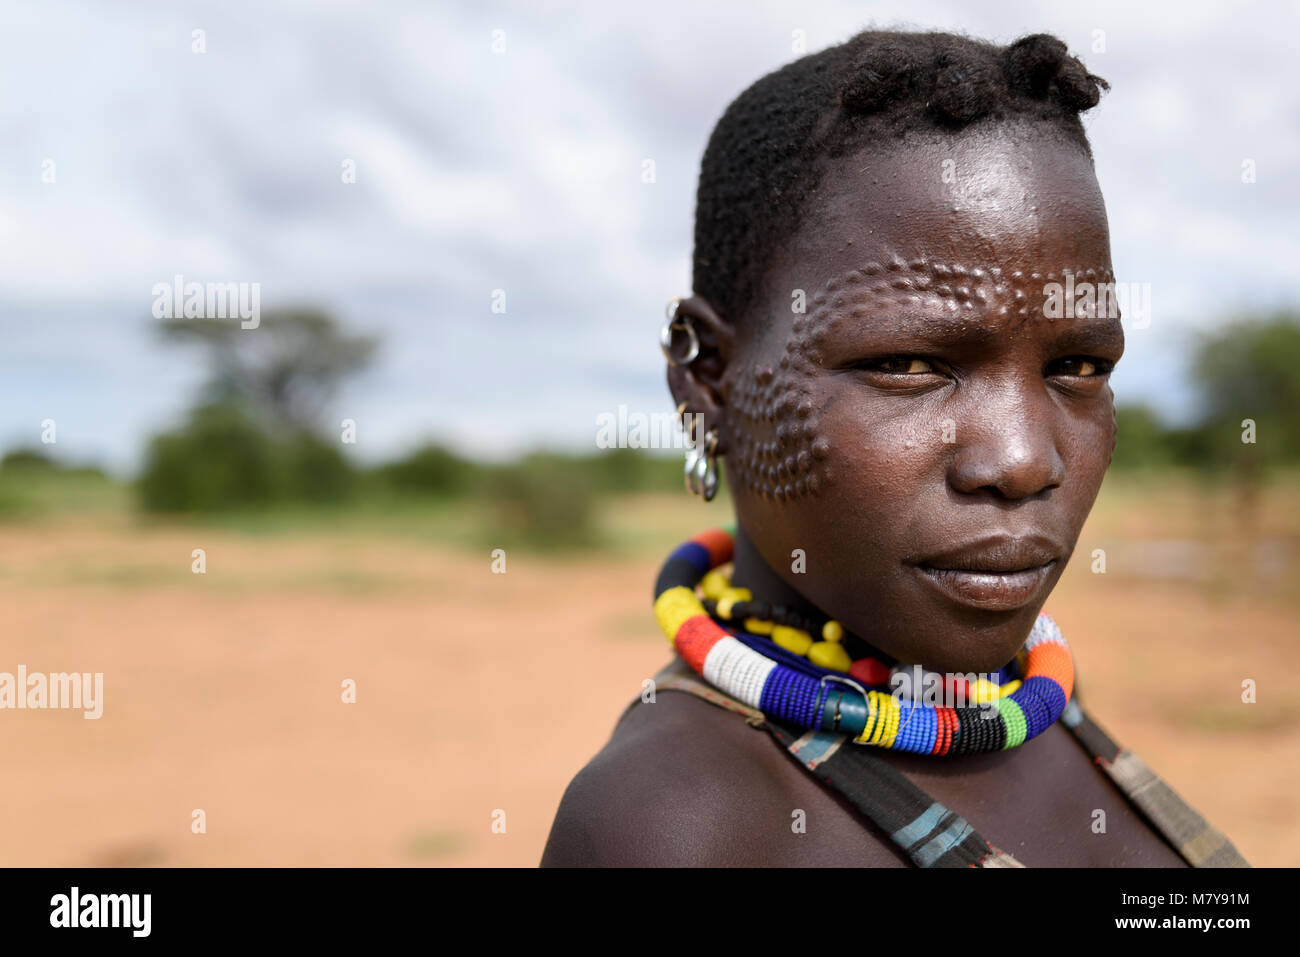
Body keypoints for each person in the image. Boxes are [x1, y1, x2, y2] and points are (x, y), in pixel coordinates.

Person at [540, 28, 1248, 868]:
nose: (1024, 461)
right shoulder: (678, 826)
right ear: (710, 379)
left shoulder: (1035, 698)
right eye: (909, 364)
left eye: (1077, 366)